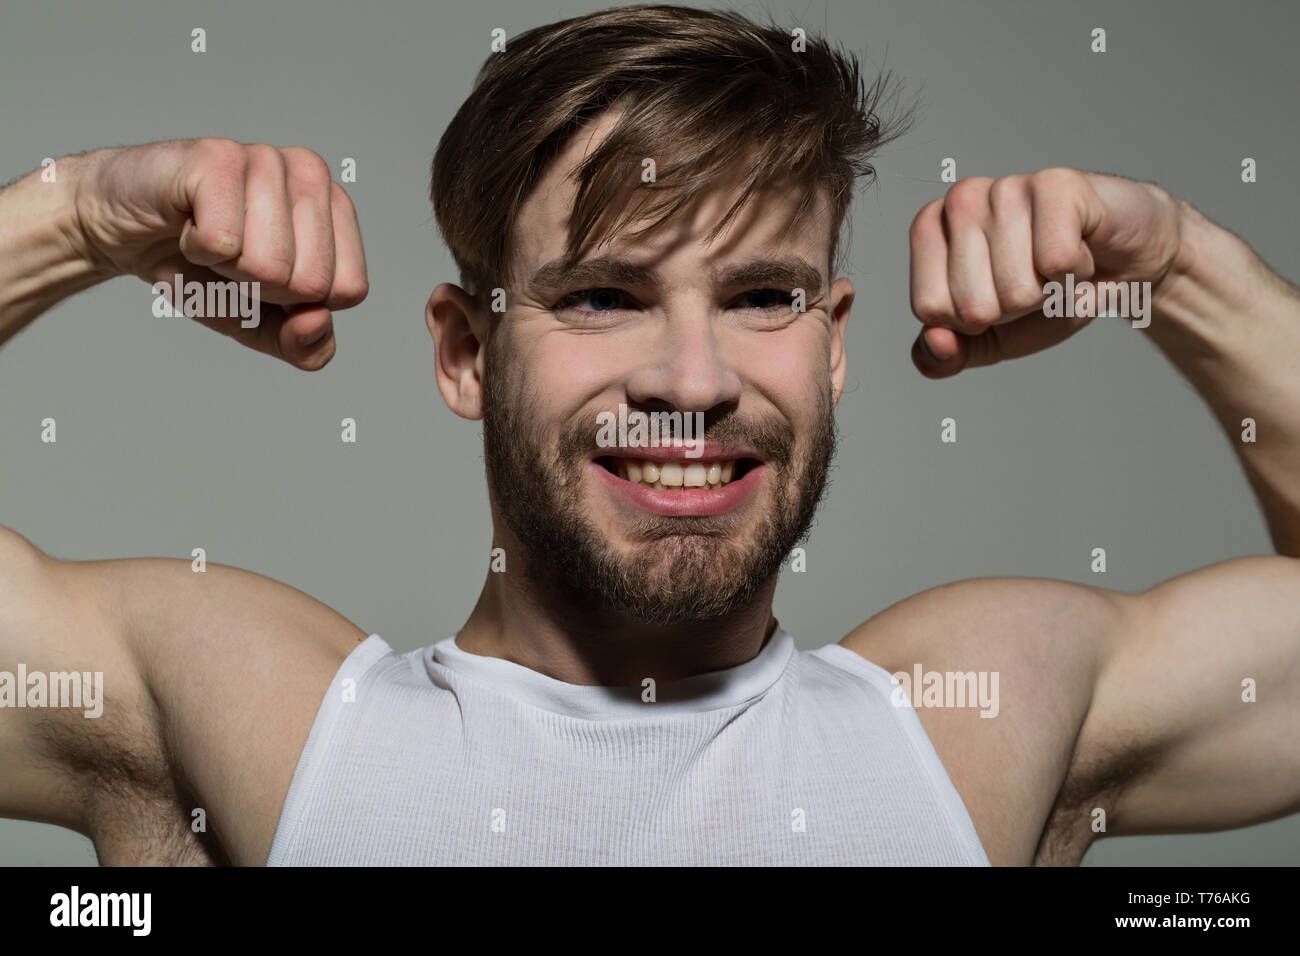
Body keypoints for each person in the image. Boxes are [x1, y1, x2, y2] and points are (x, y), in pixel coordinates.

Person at [1, 4, 1297, 866]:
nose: (694, 377)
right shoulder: (260, 723)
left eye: (762, 297)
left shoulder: (980, 722)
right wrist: (72, 221)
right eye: (605, 296)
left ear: (834, 343)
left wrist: (1180, 269)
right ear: (467, 350)